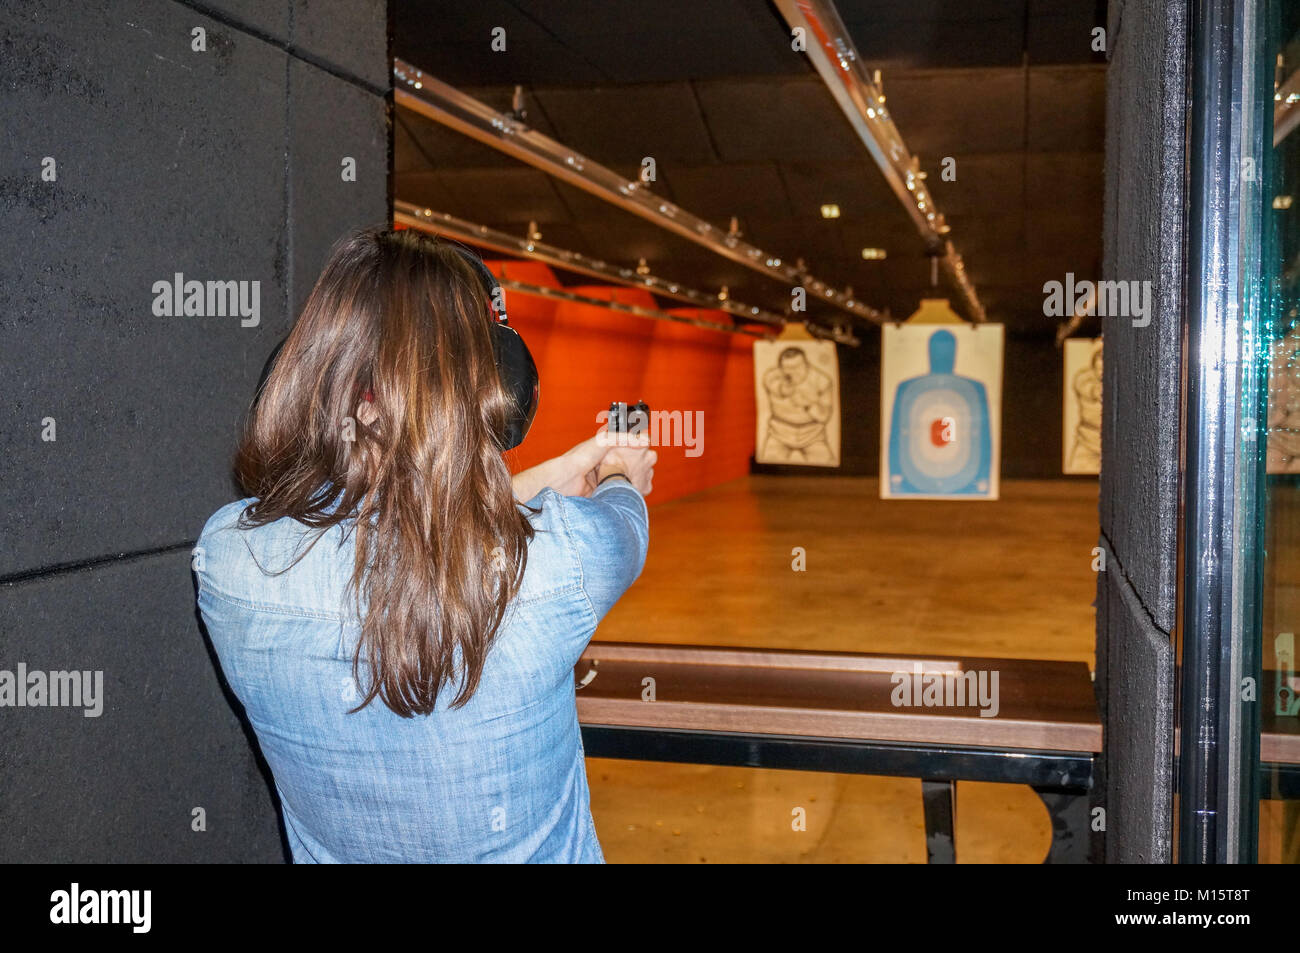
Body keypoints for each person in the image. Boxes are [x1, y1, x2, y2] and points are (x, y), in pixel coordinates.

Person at [195, 226, 655, 863]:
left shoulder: (228, 559)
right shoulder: (563, 560)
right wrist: (619, 473)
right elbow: (624, 524)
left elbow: (393, 536)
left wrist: (542, 480)